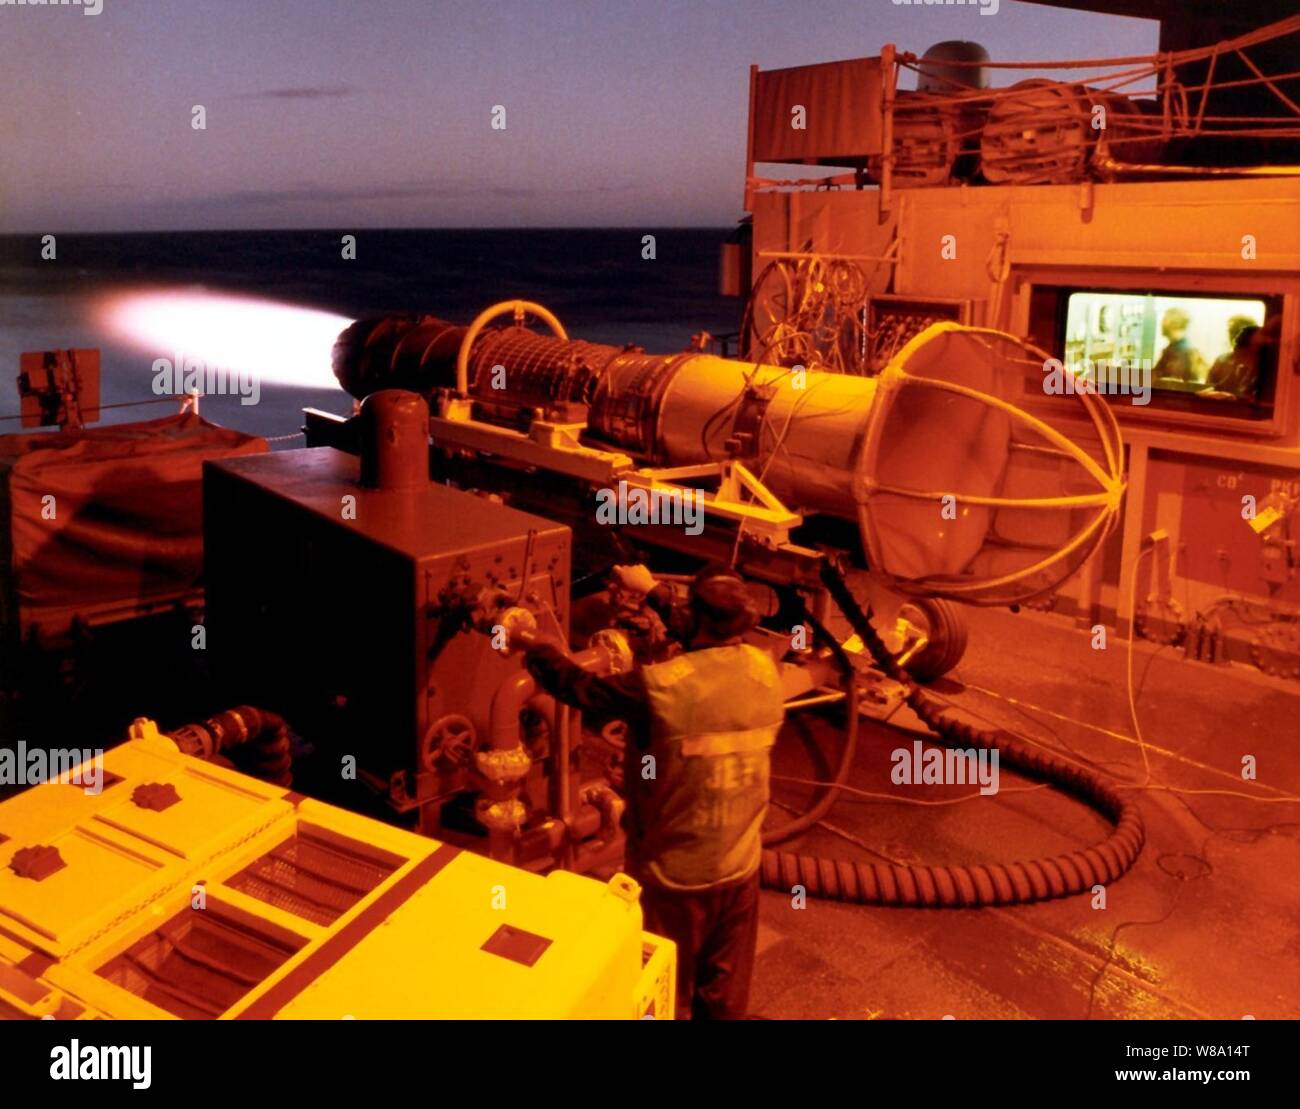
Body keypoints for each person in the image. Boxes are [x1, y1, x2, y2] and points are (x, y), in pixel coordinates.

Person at [517, 565, 785, 1020]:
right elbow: (702, 630)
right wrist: (653, 592)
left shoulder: (661, 689)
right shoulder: (765, 671)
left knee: (663, 992)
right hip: (740, 870)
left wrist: (533, 646)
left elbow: (579, 687)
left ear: (696, 619)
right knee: (724, 1000)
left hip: (673, 877)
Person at [1152, 307, 1207, 383]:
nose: (1161, 323)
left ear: (1173, 323)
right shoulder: (1171, 349)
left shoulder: (1184, 352)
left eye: (1164, 320)